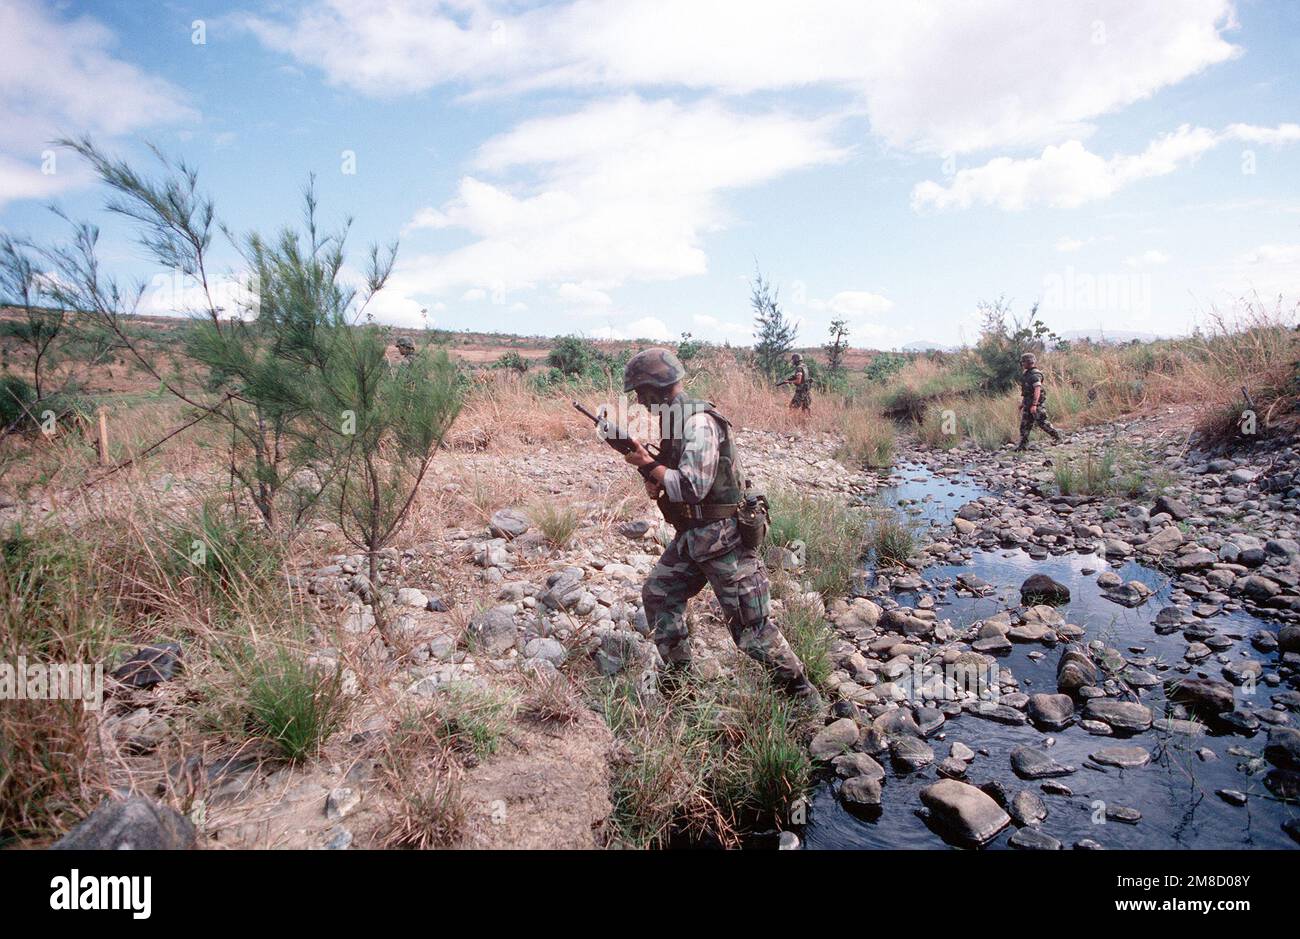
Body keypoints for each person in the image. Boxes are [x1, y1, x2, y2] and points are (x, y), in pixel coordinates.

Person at [616, 347, 822, 706]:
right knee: (660, 595)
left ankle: (804, 698)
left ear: (656, 389)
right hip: (694, 537)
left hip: (723, 539)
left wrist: (650, 465)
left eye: (640, 392)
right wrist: (653, 475)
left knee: (752, 631)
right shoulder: (676, 420)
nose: (638, 400)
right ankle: (681, 683)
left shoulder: (698, 422)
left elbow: (693, 487)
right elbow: (674, 482)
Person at [1016, 352, 1063, 450]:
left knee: (1042, 423)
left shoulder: (1035, 375)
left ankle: (1057, 437)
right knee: (1024, 425)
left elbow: (1037, 389)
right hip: (1028, 403)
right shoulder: (1027, 374)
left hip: (1036, 404)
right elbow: (1027, 392)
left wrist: (1034, 404)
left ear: (1028, 362)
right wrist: (1023, 403)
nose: (1022, 364)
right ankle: (1022, 445)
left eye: (1023, 362)